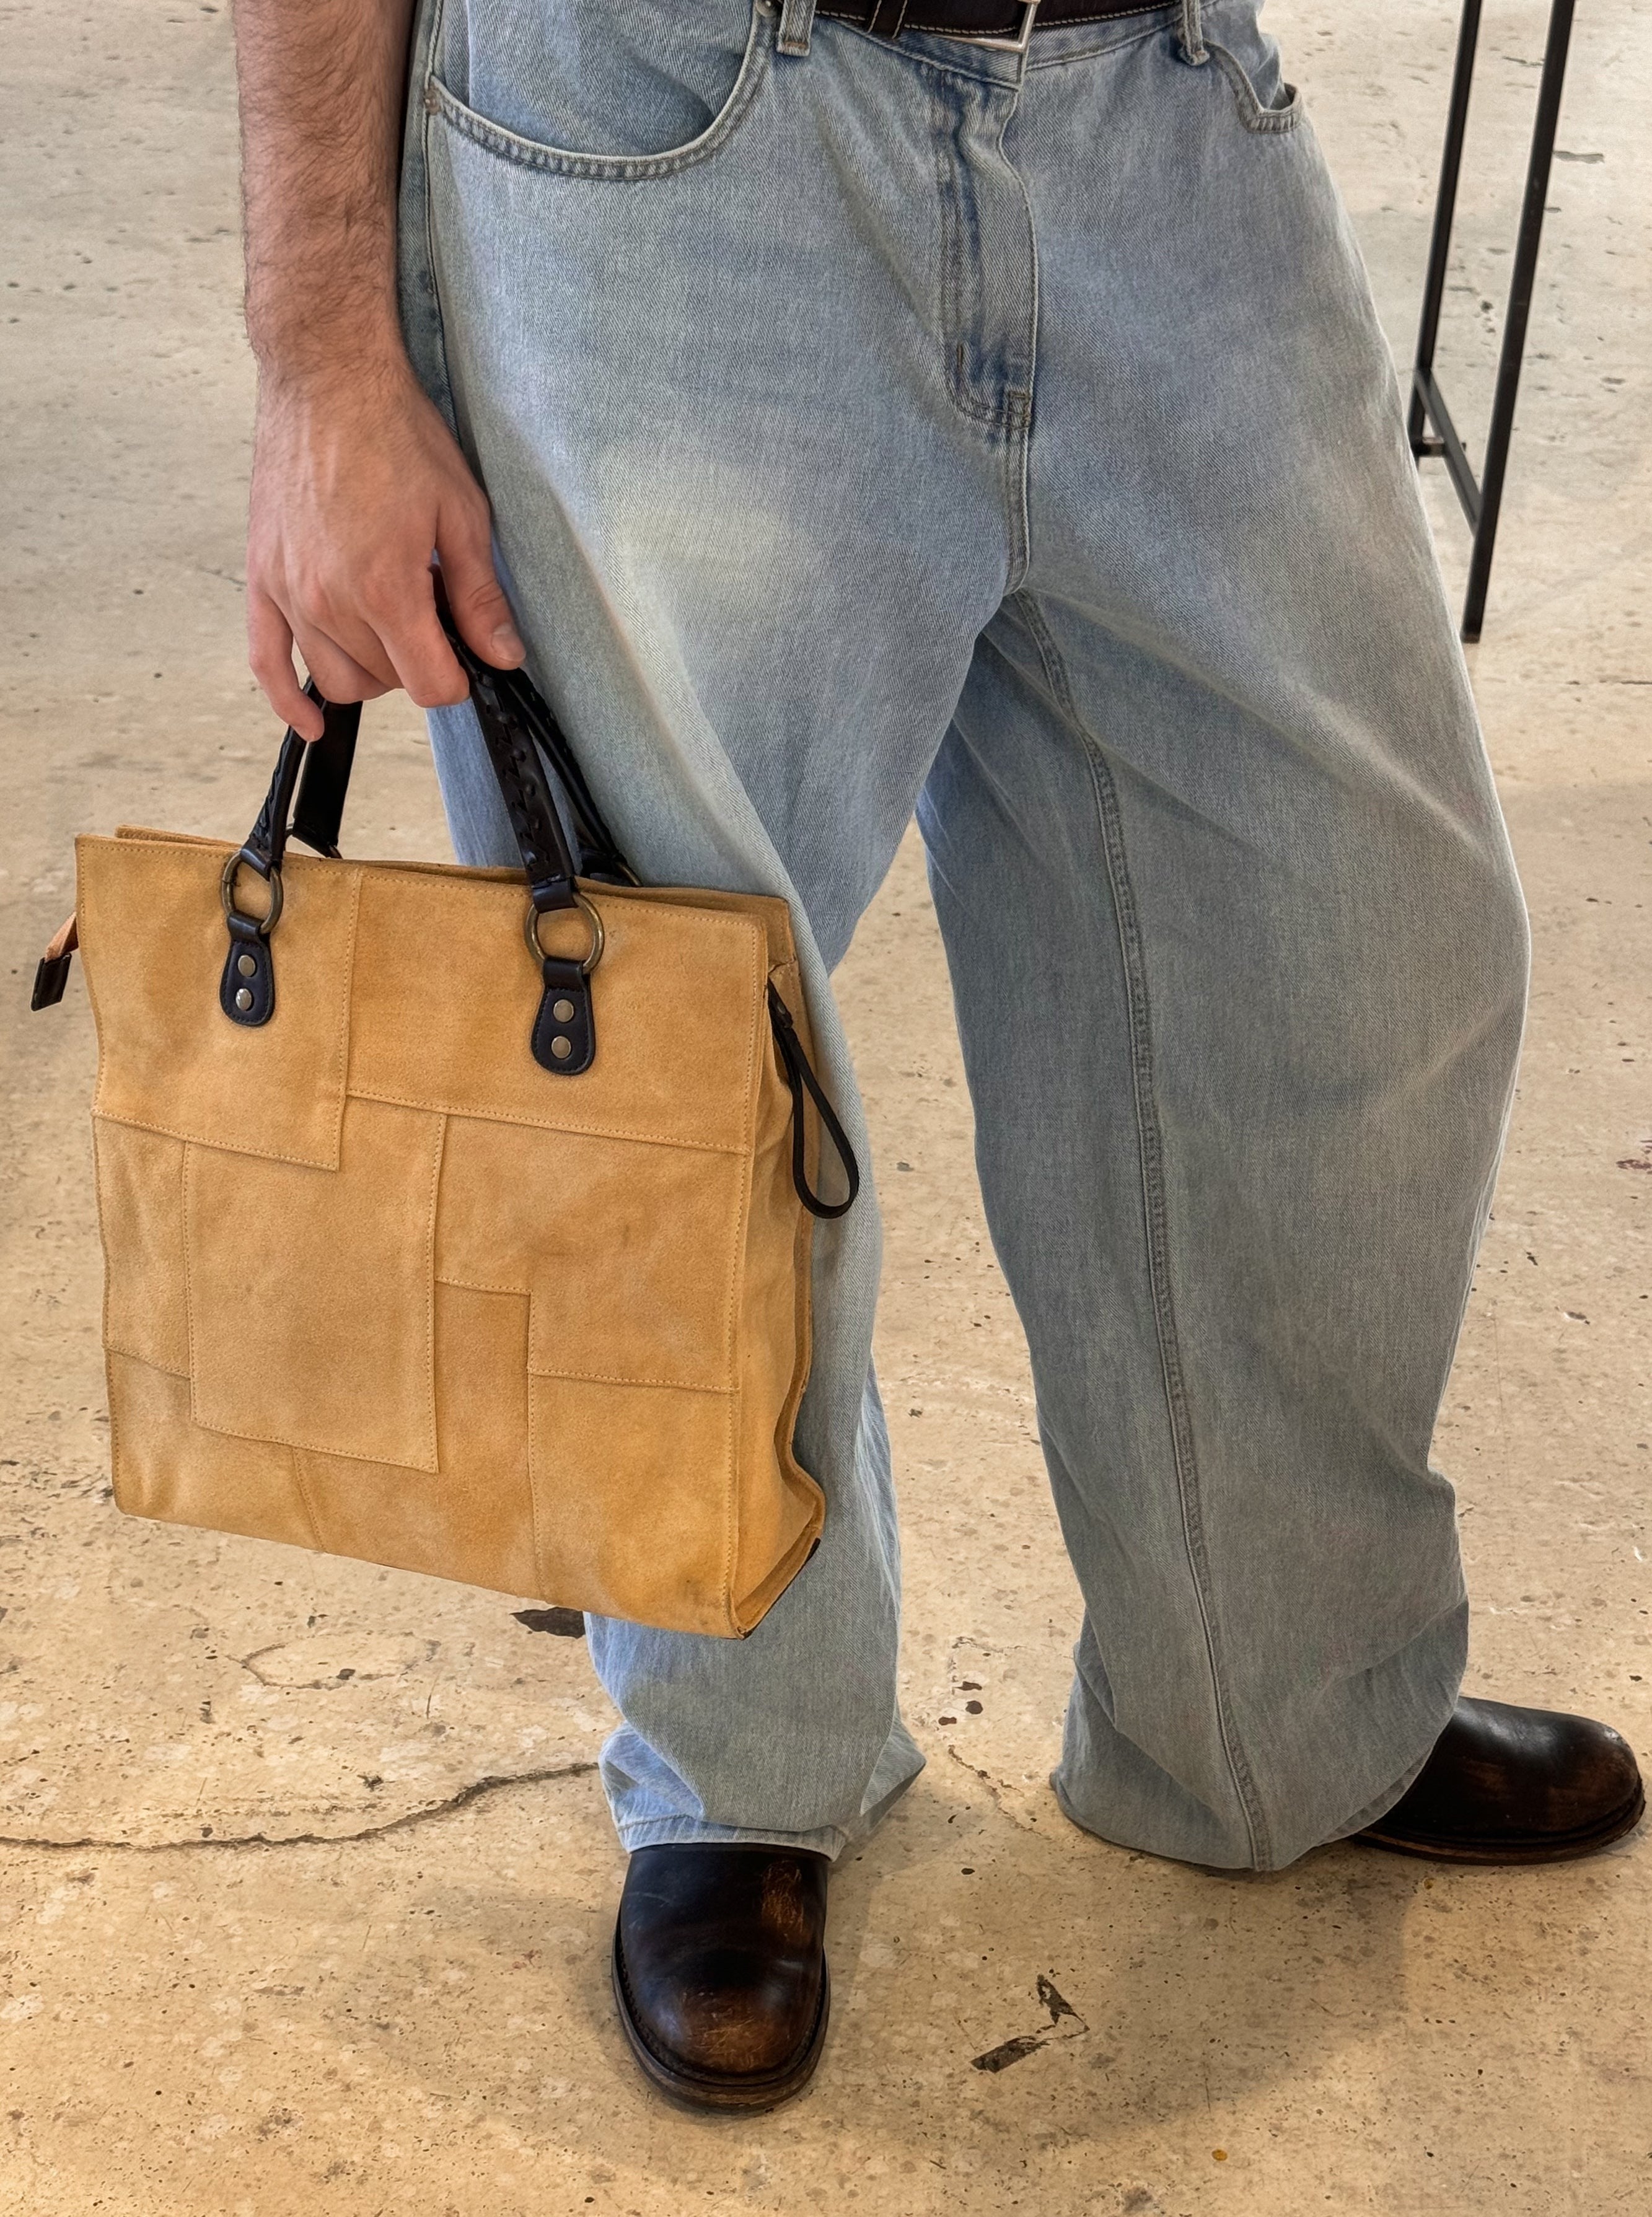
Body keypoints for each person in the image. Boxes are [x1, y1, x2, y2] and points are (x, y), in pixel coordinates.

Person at [234, 0, 1642, 2112]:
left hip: (1158, 103)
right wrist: (322, 348)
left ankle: (1279, 1705)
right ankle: (737, 1759)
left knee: (1357, 939)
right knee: (656, 1026)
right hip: (665, 130)